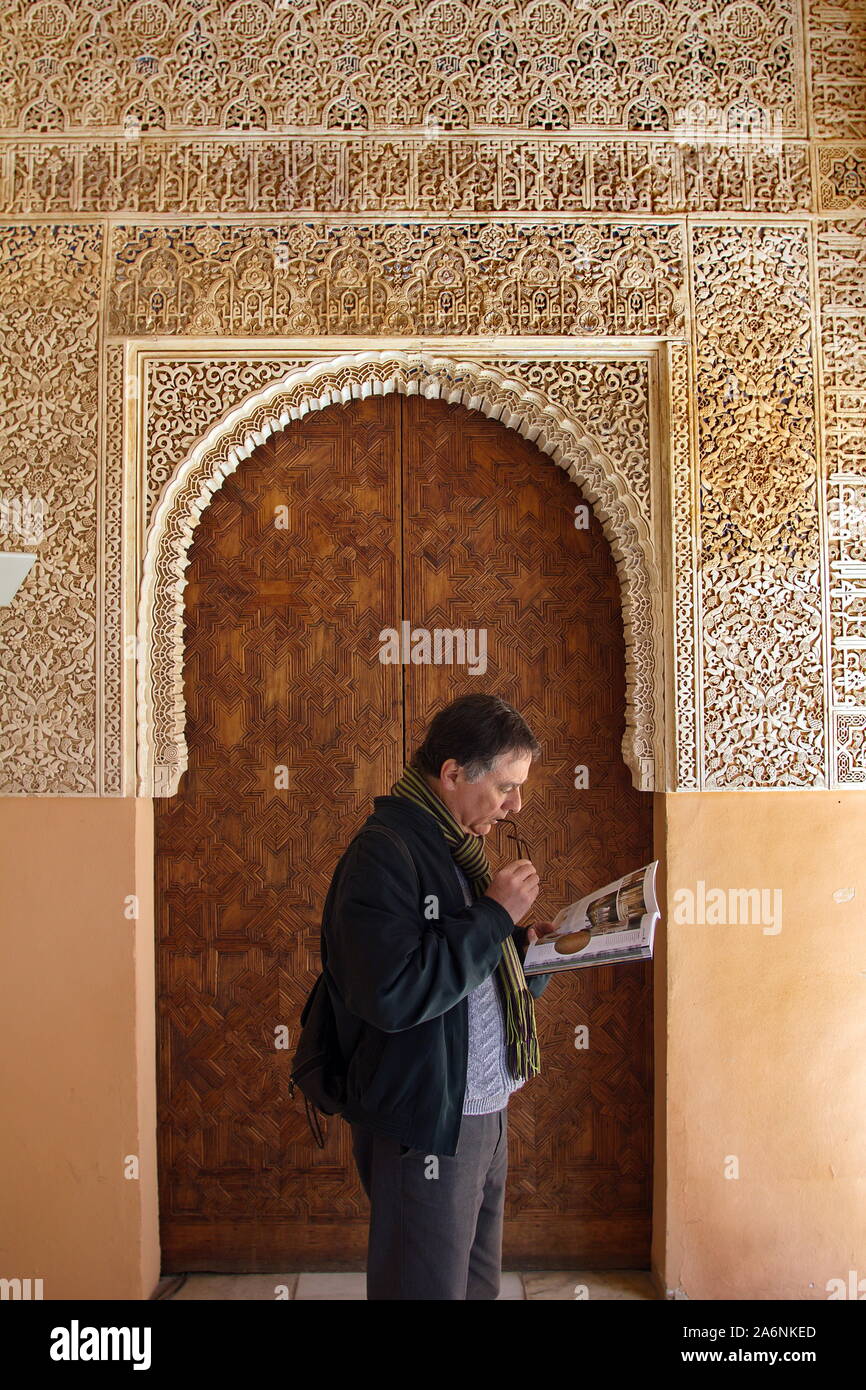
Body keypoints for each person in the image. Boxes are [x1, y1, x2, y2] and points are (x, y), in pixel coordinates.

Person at [322, 692, 556, 1299]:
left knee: (474, 1288)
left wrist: (528, 959)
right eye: (506, 786)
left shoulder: (456, 849)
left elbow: (463, 978)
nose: (516, 805)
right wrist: (493, 916)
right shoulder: (387, 852)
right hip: (426, 1121)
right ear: (452, 773)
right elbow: (393, 993)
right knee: (422, 1289)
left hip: (481, 1111)